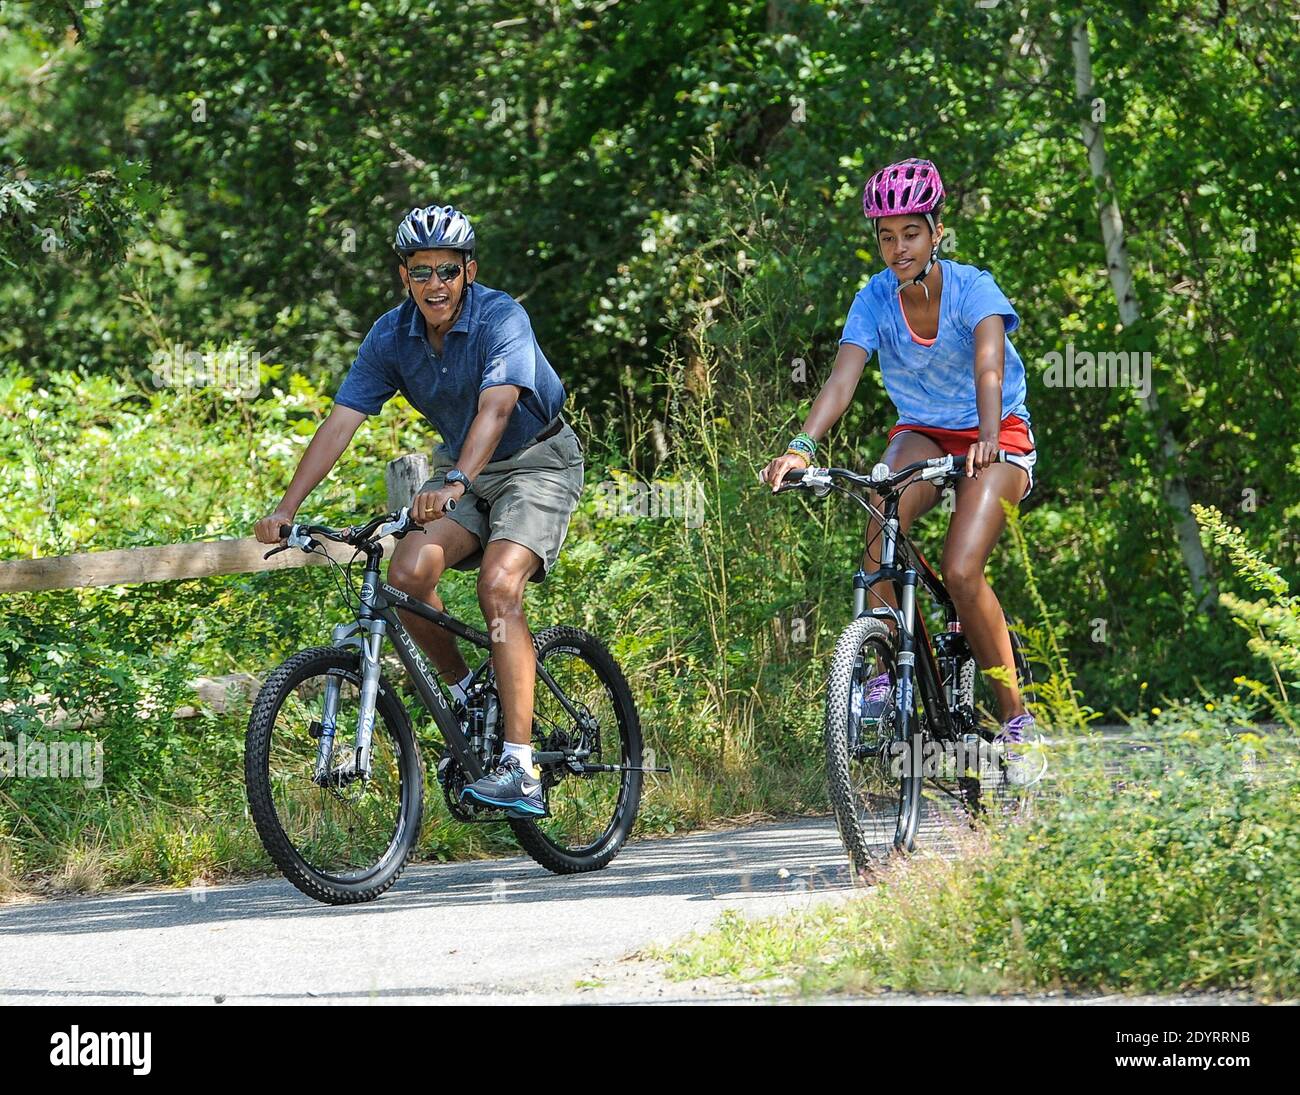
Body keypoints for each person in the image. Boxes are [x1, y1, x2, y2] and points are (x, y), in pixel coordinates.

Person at [254, 204, 585, 815]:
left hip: (536, 463)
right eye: (422, 270)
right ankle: (464, 693)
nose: (436, 283)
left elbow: (498, 409)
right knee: (407, 574)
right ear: (404, 275)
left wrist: (457, 479)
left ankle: (520, 767)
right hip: (464, 473)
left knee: (498, 586)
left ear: (469, 271)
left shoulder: (501, 316)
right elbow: (340, 423)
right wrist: (286, 508)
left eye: (448, 271)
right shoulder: (391, 335)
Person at [759, 158, 1042, 784]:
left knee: (962, 568)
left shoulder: (975, 290)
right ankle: (886, 677)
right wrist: (801, 447)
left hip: (997, 434)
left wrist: (990, 439)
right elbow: (842, 379)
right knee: (879, 537)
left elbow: (988, 369)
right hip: (921, 433)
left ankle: (1018, 723)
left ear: (936, 231)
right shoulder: (873, 299)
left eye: (910, 233)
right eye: (886, 236)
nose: (897, 248)